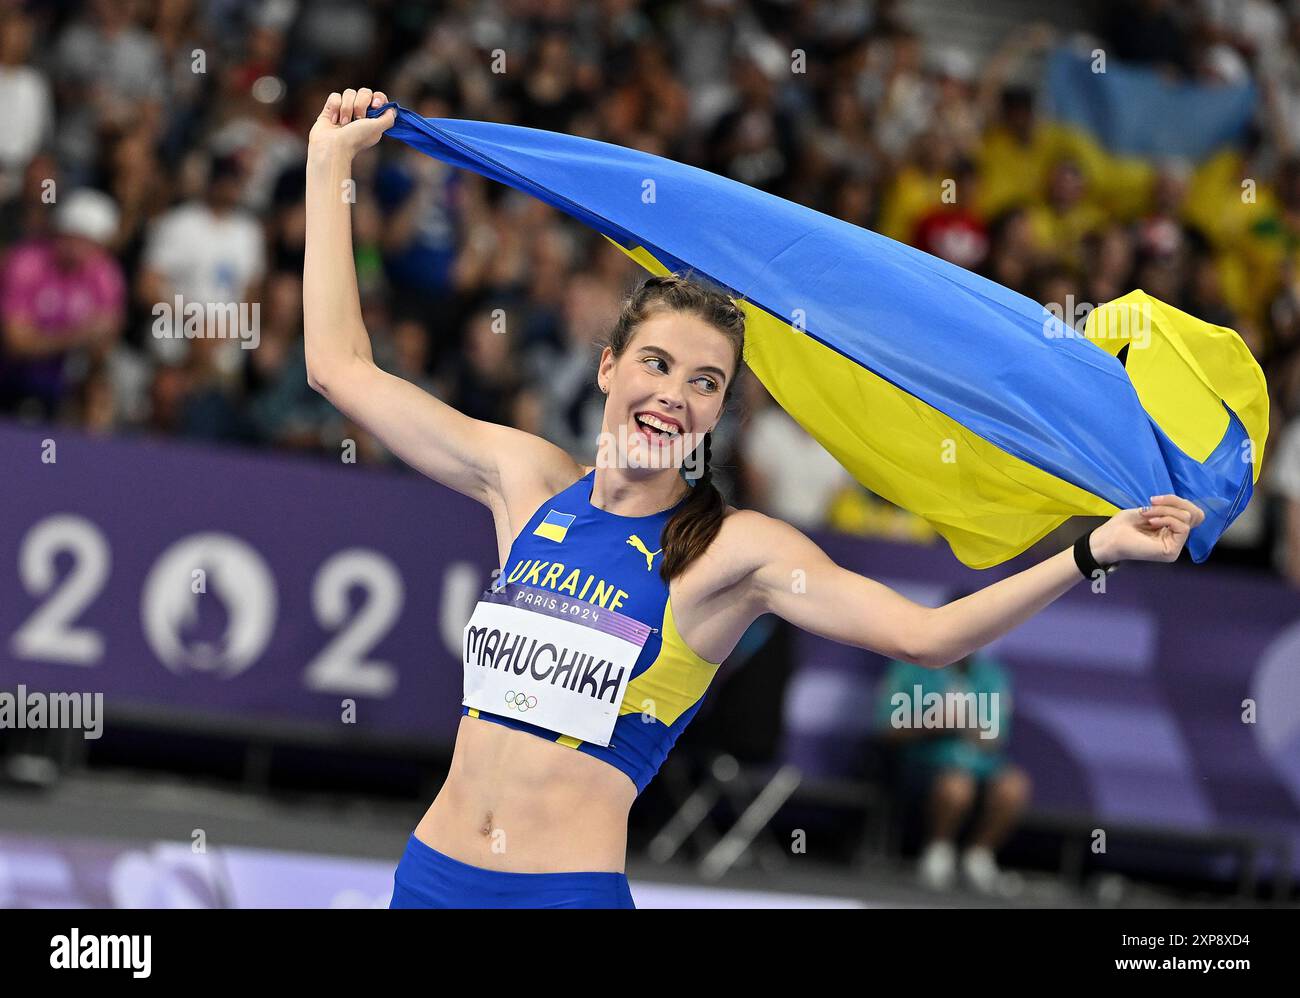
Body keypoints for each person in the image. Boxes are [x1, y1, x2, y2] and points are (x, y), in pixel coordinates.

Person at [304, 87, 1208, 910]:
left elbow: (925, 637)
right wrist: (329, 163)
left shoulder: (730, 553)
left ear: (720, 408)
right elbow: (339, 367)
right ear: (609, 366)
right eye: (657, 363)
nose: (673, 393)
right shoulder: (525, 483)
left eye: (705, 381)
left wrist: (1094, 550)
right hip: (426, 881)